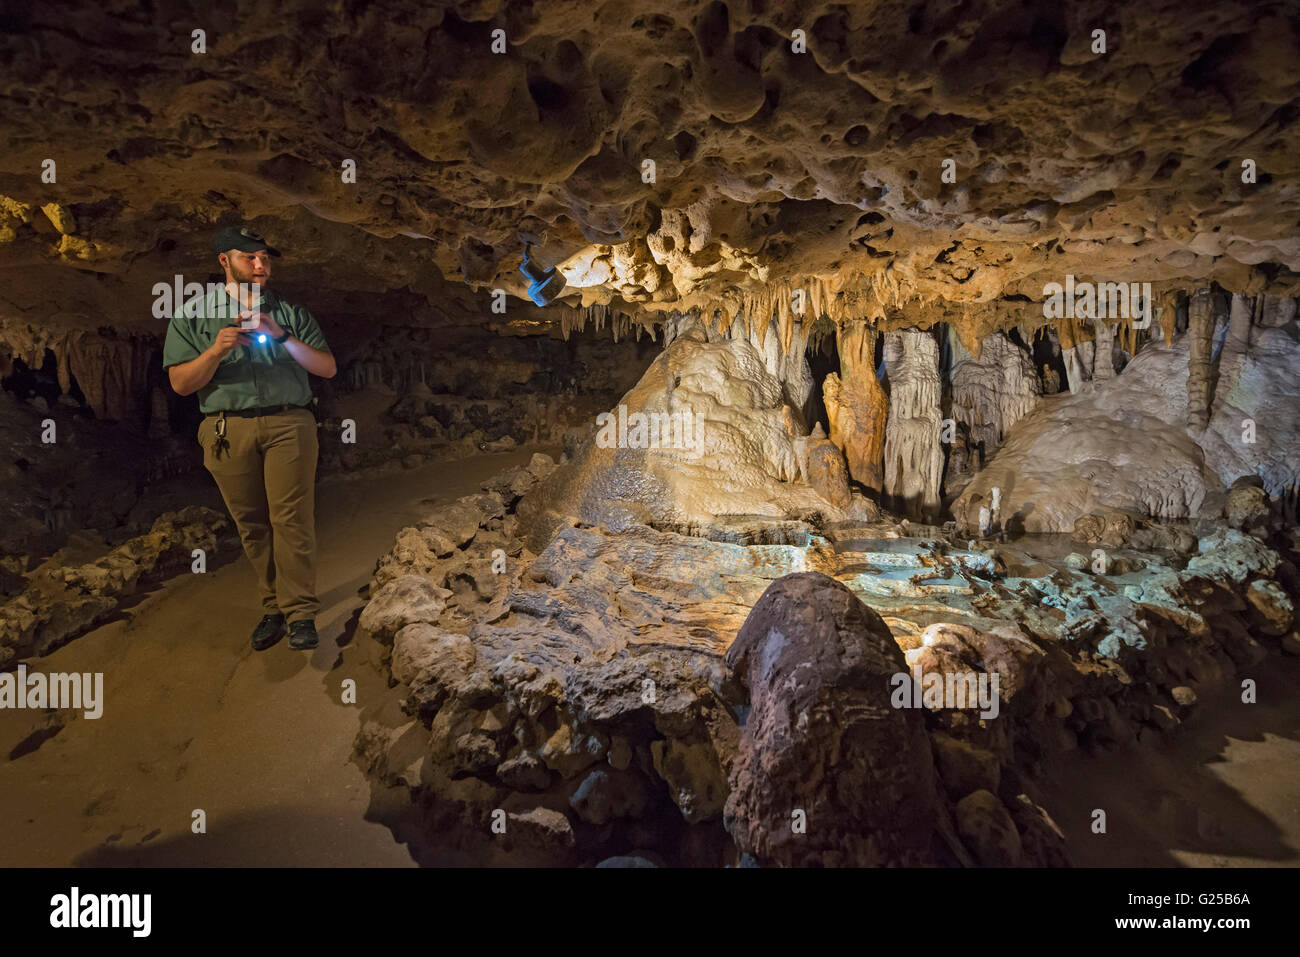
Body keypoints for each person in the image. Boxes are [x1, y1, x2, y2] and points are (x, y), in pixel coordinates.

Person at [162, 225, 337, 651]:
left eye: (265, 258)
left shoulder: (290, 313)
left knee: (290, 518)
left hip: (288, 423)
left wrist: (280, 335)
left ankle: (300, 614)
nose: (260, 265)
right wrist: (216, 349)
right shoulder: (192, 316)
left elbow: (326, 368)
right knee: (252, 524)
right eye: (249, 257)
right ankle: (272, 607)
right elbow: (182, 384)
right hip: (226, 428)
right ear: (224, 261)